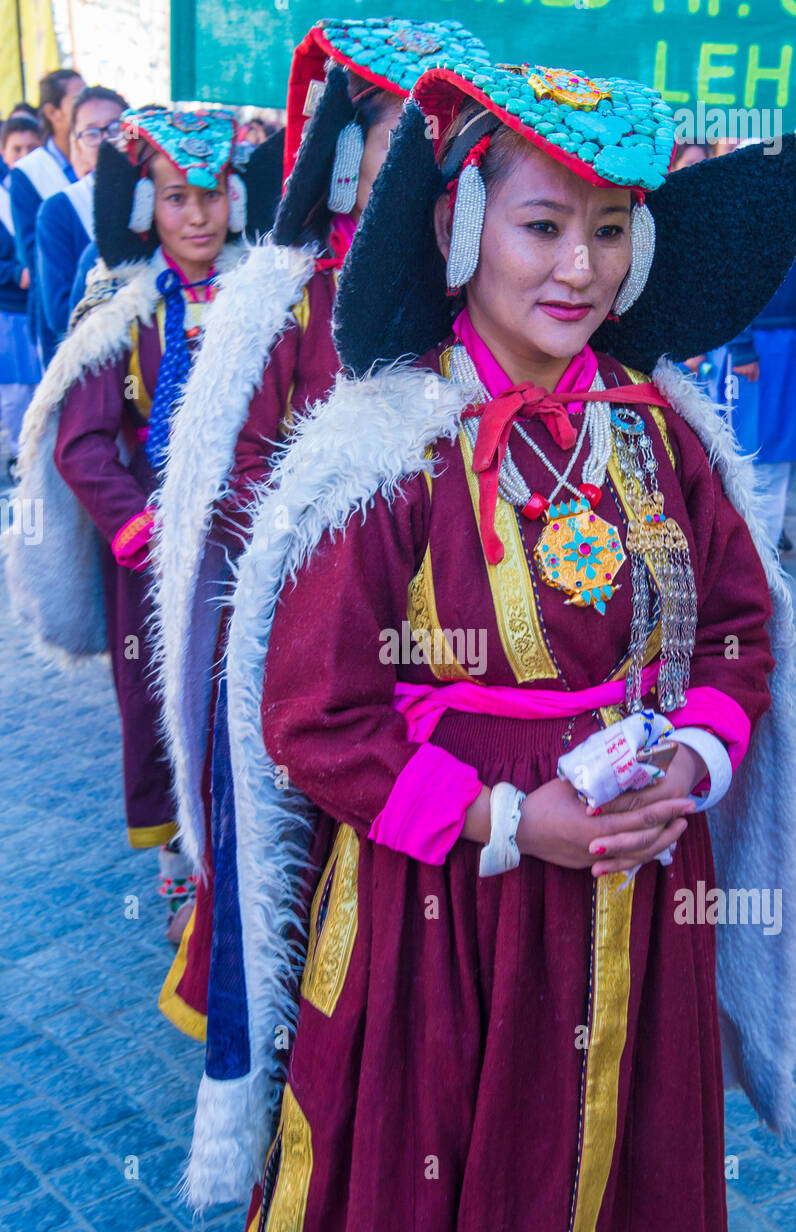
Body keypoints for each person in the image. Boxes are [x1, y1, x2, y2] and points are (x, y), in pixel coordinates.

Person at [205, 59, 796, 1232]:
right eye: (540, 228)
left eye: (604, 231)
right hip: (450, 923)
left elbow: (738, 627)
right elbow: (317, 714)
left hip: (641, 888)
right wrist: (504, 819)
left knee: (625, 1189)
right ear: (463, 228)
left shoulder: (657, 431)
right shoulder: (391, 449)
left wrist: (691, 757)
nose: (574, 271)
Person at [153, 19, 488, 1027]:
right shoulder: (290, 302)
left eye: (457, 131)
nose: (439, 151)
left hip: (455, 669)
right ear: (350, 152)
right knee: (307, 903)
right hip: (318, 666)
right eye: (410, 128)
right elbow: (237, 490)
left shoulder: (485, 290)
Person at [5, 107, 279, 925]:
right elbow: (83, 445)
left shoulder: (270, 300)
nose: (195, 215)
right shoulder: (119, 310)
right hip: (156, 569)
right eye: (173, 198)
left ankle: (254, 874)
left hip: (251, 551)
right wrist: (147, 530)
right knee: (166, 711)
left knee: (254, 710)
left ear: (232, 195)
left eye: (208, 194)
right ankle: (185, 876)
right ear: (143, 208)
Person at [710, 157, 796, 552]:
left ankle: (762, 532)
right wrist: (743, 342)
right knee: (768, 455)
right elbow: (731, 273)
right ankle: (759, 551)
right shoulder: (749, 164)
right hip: (764, 343)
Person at [36, 85, 127, 362]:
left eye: (115, 127)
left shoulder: (157, 196)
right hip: (96, 358)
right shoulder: (59, 210)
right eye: (91, 133)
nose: (105, 140)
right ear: (76, 144)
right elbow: (60, 311)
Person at [9, 70, 84, 359]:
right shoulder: (29, 172)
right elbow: (31, 253)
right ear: (52, 112)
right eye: (77, 99)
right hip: (57, 308)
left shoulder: (97, 157)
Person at [0, 115, 42, 472]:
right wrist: (16, 272)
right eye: (17, 148)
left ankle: (38, 447)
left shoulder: (47, 190)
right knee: (15, 389)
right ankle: (18, 451)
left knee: (43, 382)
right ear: (4, 152)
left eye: (32, 148)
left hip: (39, 306)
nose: (25, 154)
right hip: (9, 308)